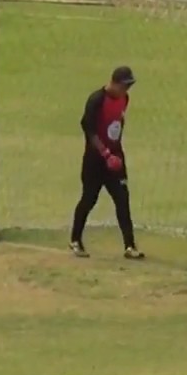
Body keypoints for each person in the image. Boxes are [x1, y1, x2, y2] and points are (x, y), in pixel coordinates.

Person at [69, 66, 145, 260]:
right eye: (125, 86)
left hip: (115, 158)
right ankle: (75, 239)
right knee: (89, 199)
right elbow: (89, 129)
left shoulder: (124, 99)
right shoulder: (96, 100)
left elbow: (118, 124)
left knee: (122, 199)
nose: (127, 91)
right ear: (115, 82)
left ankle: (130, 245)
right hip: (95, 160)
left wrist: (117, 152)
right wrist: (105, 153)